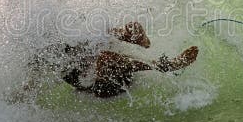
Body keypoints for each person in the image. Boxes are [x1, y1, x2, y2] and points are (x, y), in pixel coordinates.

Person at [58, 21, 199, 98]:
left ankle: (137, 39)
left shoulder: (73, 46)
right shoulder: (66, 62)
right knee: (104, 57)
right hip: (104, 86)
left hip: (110, 70)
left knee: (108, 35)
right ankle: (164, 66)